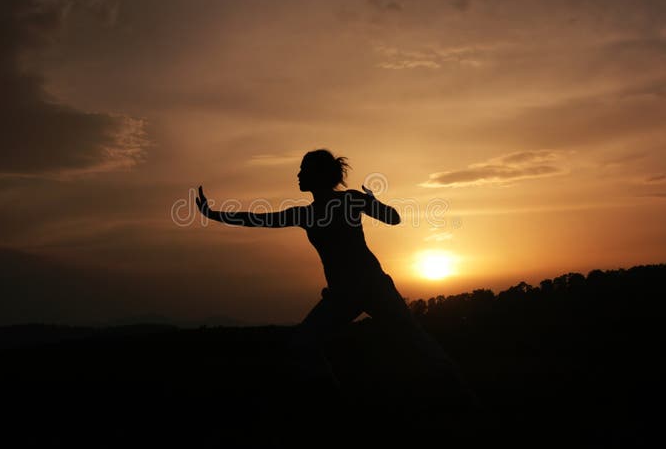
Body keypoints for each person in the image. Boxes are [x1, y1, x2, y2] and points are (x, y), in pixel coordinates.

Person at [195, 149, 473, 404]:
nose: (298, 175)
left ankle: (458, 394)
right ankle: (335, 400)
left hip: (370, 286)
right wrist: (212, 213)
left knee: (412, 339)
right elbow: (256, 219)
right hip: (347, 292)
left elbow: (393, 218)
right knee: (309, 343)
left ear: (318, 174)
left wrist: (371, 201)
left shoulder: (336, 204)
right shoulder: (318, 209)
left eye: (303, 170)